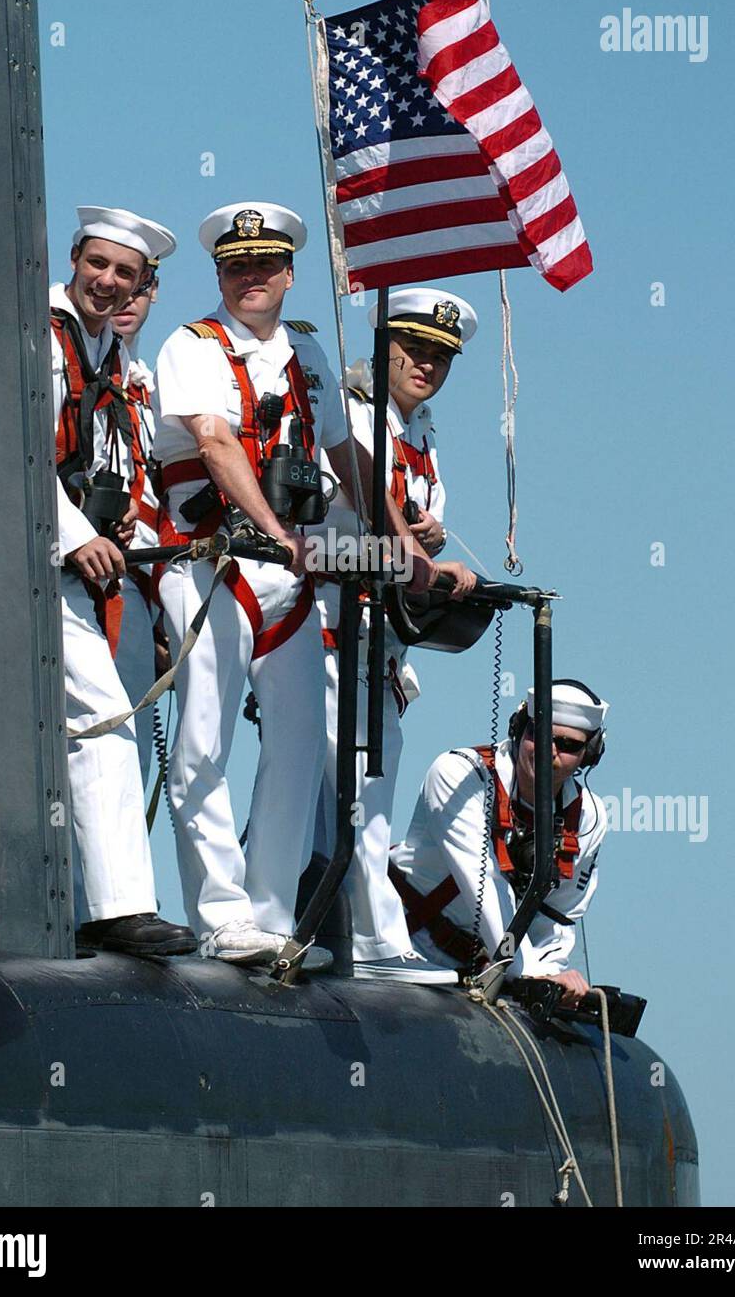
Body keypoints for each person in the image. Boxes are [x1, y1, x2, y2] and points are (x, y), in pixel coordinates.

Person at [153, 201, 475, 964]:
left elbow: (349, 459)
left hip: (289, 580)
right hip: (213, 565)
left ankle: (270, 919)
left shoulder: (307, 355)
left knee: (299, 749)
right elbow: (216, 441)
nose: (252, 277)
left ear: (290, 274)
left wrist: (405, 548)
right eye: (237, 266)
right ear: (220, 275)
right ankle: (220, 916)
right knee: (203, 743)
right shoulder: (192, 346)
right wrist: (275, 530)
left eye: (265, 265)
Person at [312, 289, 478, 986]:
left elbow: (408, 517)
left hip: (383, 640)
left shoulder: (420, 431)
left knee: (339, 791)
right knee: (358, 784)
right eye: (413, 350)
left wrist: (428, 537)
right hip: (333, 623)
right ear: (384, 351)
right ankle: (376, 939)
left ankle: (307, 925)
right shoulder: (354, 415)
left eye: (441, 356)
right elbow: (346, 506)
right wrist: (415, 545)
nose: (426, 365)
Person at [52, 205, 195, 957]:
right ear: (74, 258)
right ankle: (115, 910)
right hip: (40, 561)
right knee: (103, 719)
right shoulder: (41, 337)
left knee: (110, 726)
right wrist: (78, 534)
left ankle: (89, 906)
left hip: (94, 571)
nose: (108, 282)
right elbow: (13, 447)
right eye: (98, 265)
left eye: (125, 274)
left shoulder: (108, 351)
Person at [389, 680, 609, 1004]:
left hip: (482, 969)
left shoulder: (587, 815)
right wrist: (530, 974)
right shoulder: (460, 775)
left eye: (567, 745)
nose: (549, 752)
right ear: (519, 728)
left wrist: (550, 975)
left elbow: (557, 916)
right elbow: (486, 884)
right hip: (402, 951)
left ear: (588, 755)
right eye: (539, 734)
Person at [109, 256, 170, 787]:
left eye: (140, 288)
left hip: (144, 592)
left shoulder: (151, 388)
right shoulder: (72, 368)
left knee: (132, 761)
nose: (126, 300)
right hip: (96, 578)